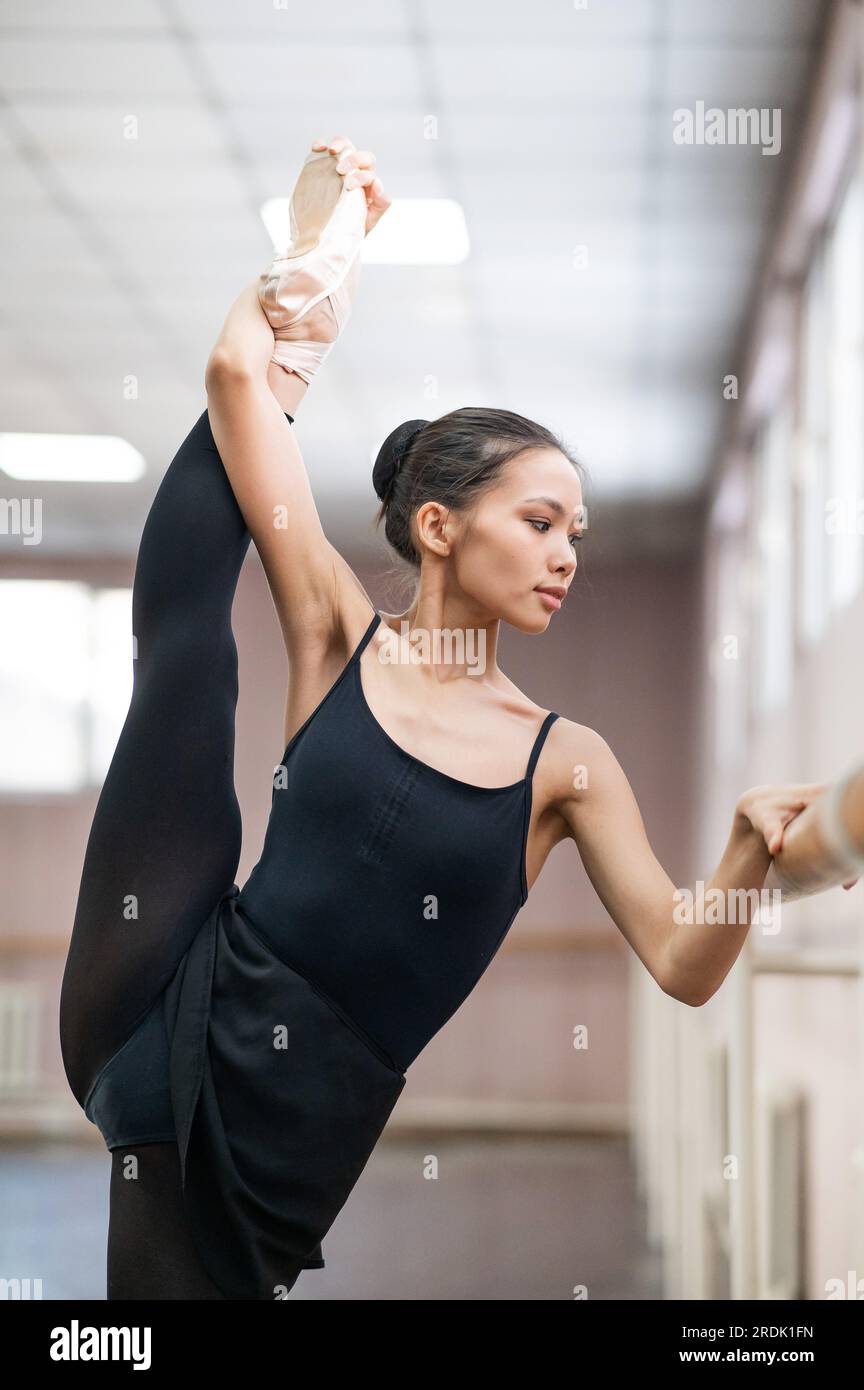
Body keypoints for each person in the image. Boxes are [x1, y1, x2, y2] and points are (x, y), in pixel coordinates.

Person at [58, 135, 861, 1300]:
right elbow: (230, 385)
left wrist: (745, 849)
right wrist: (313, 273)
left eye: (577, 534)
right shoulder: (340, 630)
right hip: (169, 991)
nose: (565, 555)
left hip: (297, 1126)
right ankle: (309, 325)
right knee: (184, 647)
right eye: (540, 522)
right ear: (438, 527)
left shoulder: (567, 766)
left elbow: (686, 960)